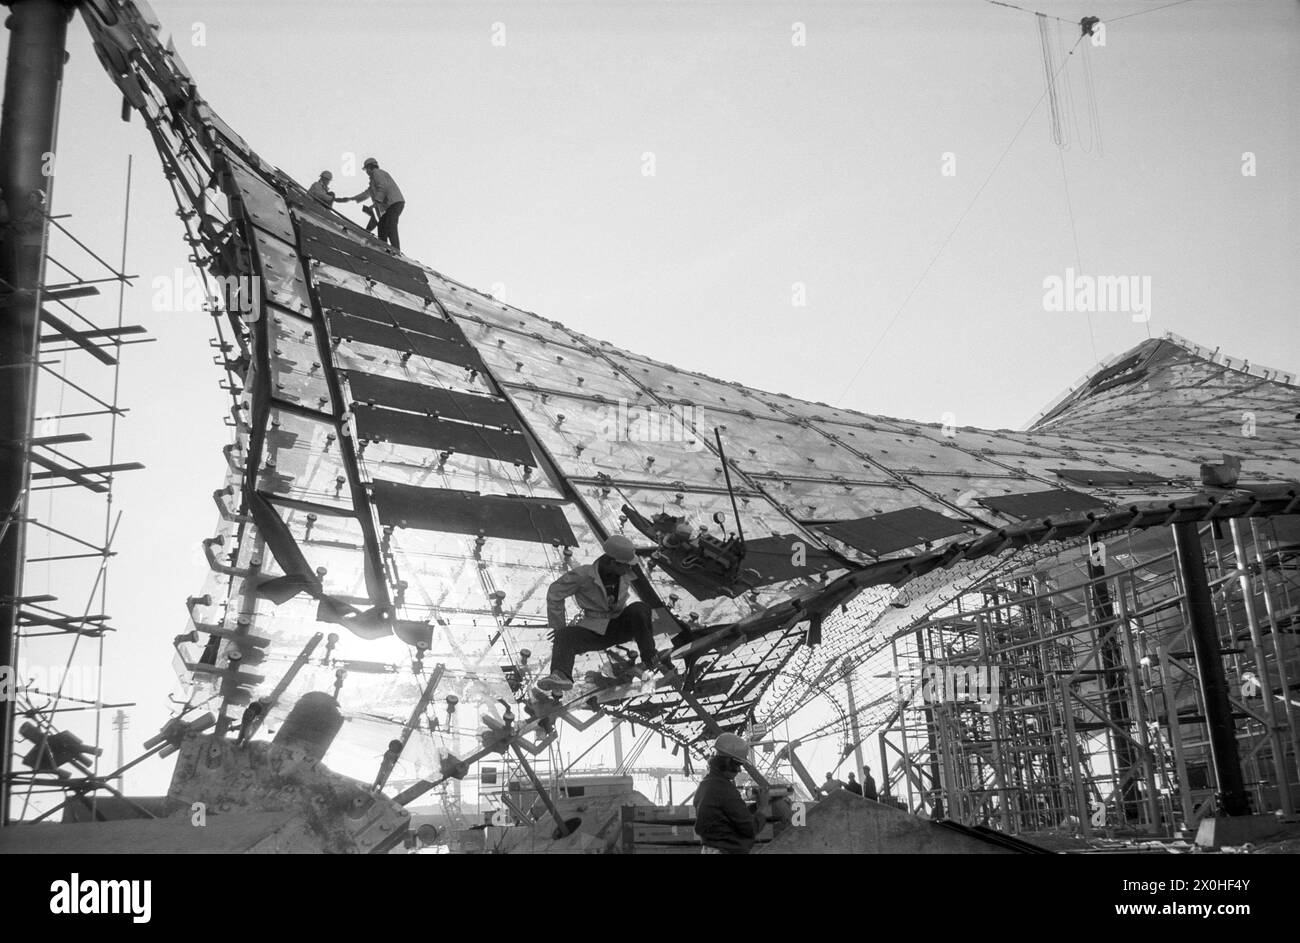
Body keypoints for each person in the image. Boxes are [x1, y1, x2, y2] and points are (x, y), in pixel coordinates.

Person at [537, 535, 670, 692]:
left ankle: (650, 656)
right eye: (625, 566)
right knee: (564, 635)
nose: (629, 569)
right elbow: (555, 592)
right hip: (595, 630)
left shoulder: (624, 574)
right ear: (613, 563)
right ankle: (561, 675)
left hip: (619, 625)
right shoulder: (583, 575)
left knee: (640, 608)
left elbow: (641, 608)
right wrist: (558, 626)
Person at [693, 733, 770, 854]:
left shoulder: (705, 785)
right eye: (738, 764)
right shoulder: (725, 789)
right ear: (727, 761)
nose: (740, 770)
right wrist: (763, 808)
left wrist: (753, 807)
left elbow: (728, 816)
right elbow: (750, 828)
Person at [338, 157, 405, 249]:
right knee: (381, 224)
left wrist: (376, 202)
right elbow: (367, 193)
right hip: (392, 204)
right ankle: (383, 246)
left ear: (370, 167)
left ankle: (396, 249)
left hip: (394, 202)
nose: (366, 172)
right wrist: (351, 199)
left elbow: (383, 187)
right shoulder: (373, 179)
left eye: (366, 169)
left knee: (390, 224)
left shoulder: (377, 173)